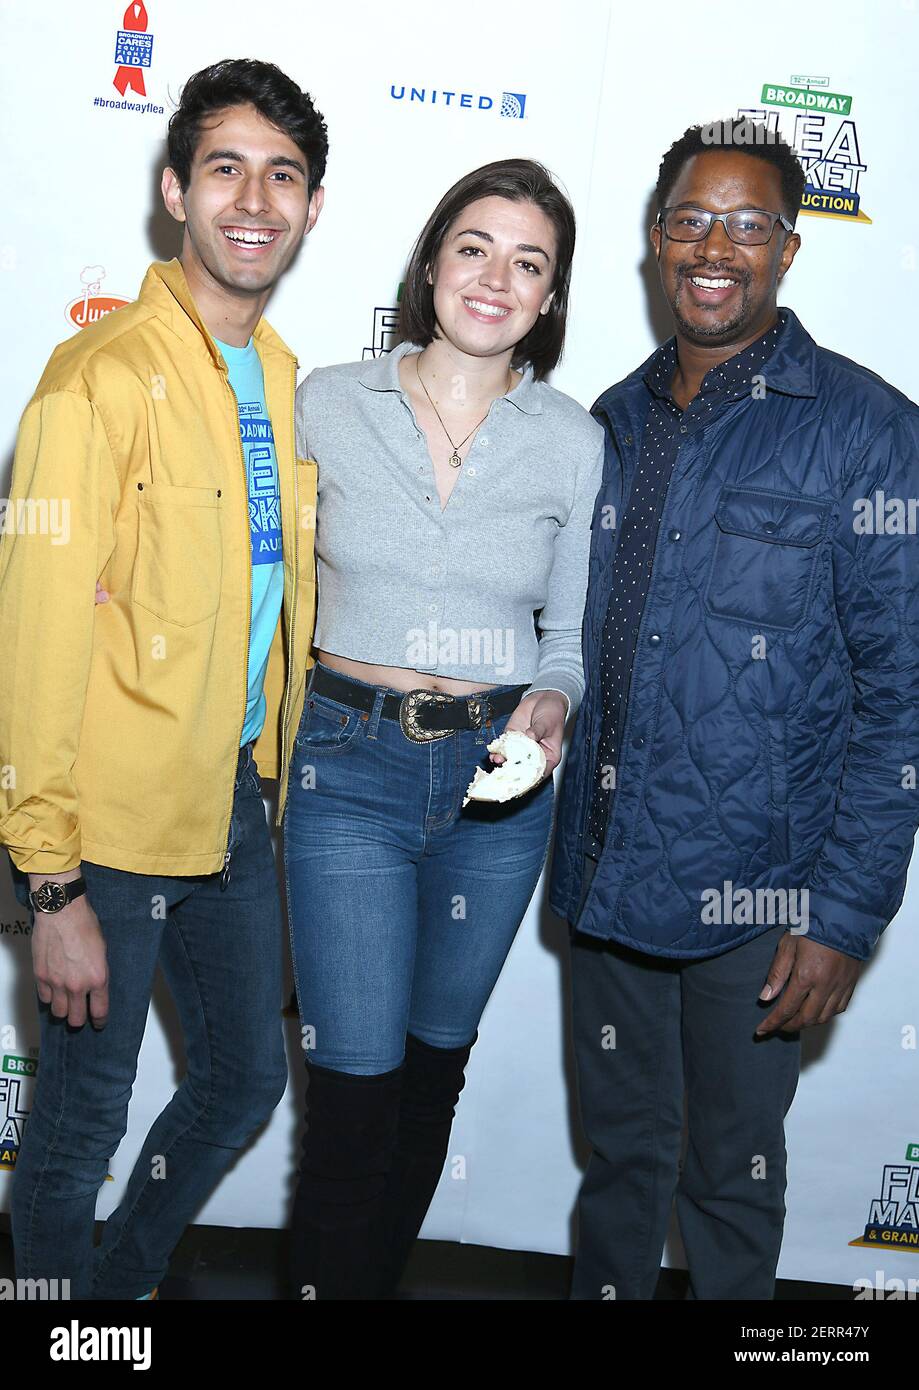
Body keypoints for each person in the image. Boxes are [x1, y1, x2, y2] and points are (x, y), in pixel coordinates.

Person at [550, 117, 919, 1299]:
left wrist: (846, 911)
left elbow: (899, 696)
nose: (717, 246)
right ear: (656, 239)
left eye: (749, 223)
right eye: (690, 219)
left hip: (762, 907)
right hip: (607, 877)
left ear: (789, 249)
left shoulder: (866, 431)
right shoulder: (606, 419)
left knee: (728, 1184)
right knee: (617, 1167)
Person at [0, 58, 327, 1300]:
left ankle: (114, 1292)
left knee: (246, 1074)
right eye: (228, 168)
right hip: (107, 829)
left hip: (236, 804)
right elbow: (33, 639)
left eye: (284, 175)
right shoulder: (94, 380)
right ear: (175, 188)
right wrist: (52, 876)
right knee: (82, 1118)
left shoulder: (286, 377)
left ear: (311, 207)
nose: (256, 199)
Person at [284, 158, 605, 1299]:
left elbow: (565, 635)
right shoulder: (325, 399)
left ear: (550, 297)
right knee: (356, 1085)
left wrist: (553, 699)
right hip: (348, 768)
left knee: (430, 1073)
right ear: (431, 264)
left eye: (530, 262)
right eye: (475, 247)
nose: (496, 278)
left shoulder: (573, 439)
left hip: (498, 792)